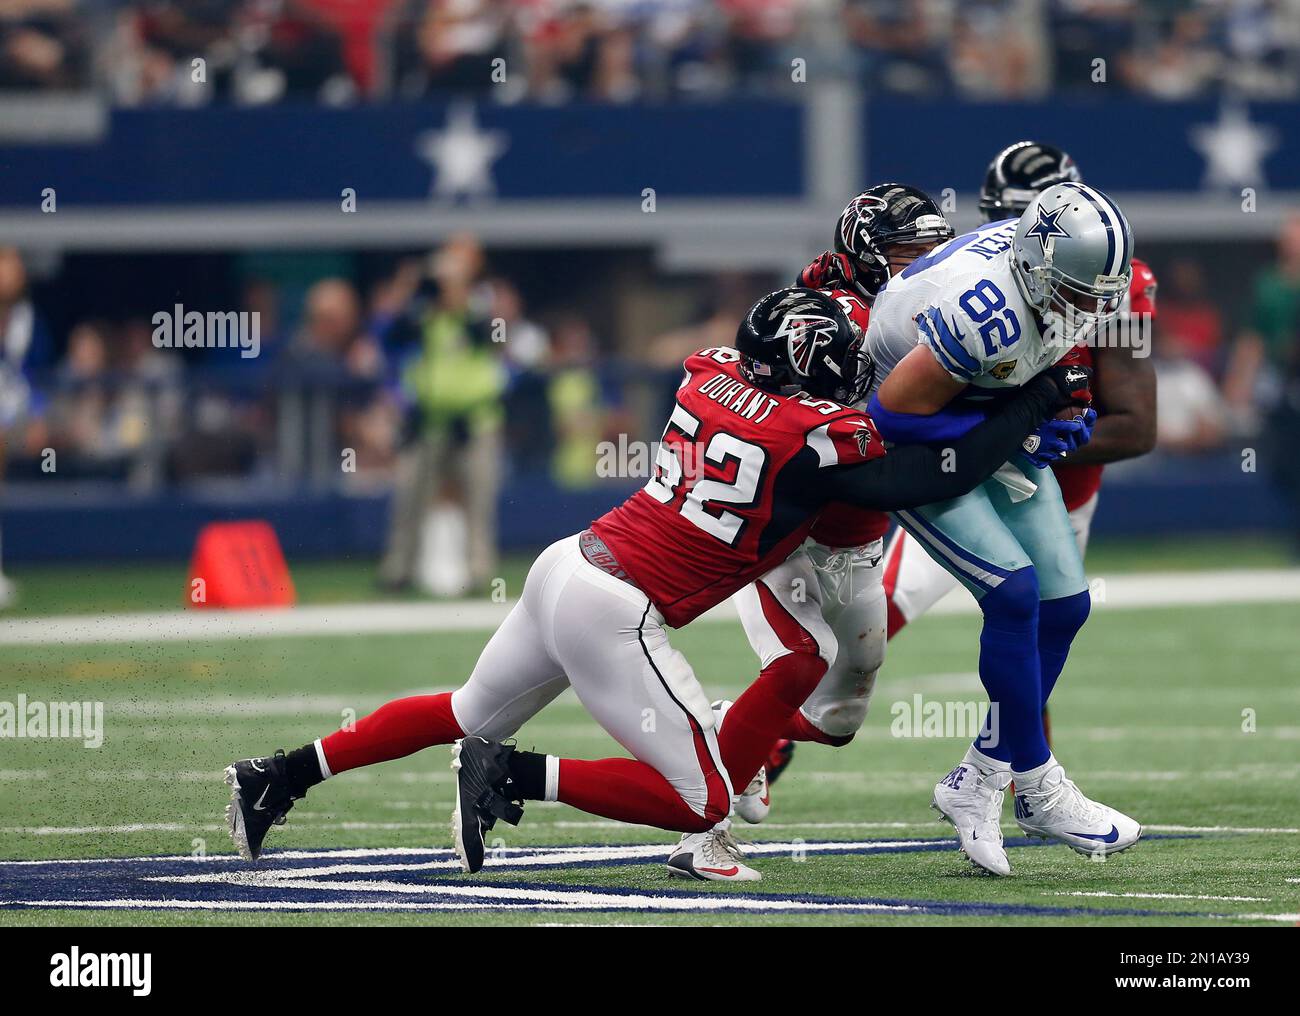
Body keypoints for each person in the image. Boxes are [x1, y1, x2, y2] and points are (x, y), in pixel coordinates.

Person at [223, 287, 1086, 878]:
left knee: (459, 708)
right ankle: (511, 777)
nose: (847, 384)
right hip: (617, 609)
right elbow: (929, 477)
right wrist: (1030, 402)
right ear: (798, 374)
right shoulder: (810, 439)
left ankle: (282, 774)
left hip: (567, 564)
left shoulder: (708, 371)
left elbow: (768, 382)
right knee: (699, 799)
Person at [855, 181, 1142, 875]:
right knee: (1012, 596)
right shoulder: (990, 312)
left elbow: (1026, 368)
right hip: (909, 438)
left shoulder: (1062, 275)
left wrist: (1033, 414)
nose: (1093, 308)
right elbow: (892, 414)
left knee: (1065, 604)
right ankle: (1038, 783)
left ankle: (979, 777)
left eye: (1100, 291)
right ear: (1039, 266)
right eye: (1079, 292)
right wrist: (1016, 422)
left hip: (978, 406)